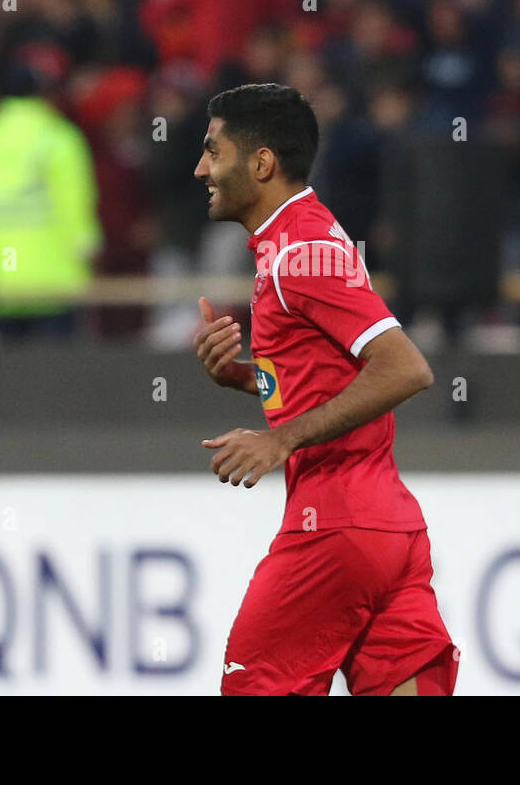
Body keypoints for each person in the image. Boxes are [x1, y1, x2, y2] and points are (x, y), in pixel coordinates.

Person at [192, 83, 457, 696]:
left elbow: (404, 368)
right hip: (387, 531)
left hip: (333, 530)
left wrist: (279, 439)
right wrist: (243, 375)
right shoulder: (300, 240)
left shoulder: (301, 251)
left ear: (261, 164)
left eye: (213, 150)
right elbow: (328, 376)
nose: (200, 167)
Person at [0, 64, 99, 339]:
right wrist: (91, 259)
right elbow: (76, 208)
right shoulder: (61, 139)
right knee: (56, 377)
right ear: (43, 95)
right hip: (57, 281)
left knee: (7, 378)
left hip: (1, 281)